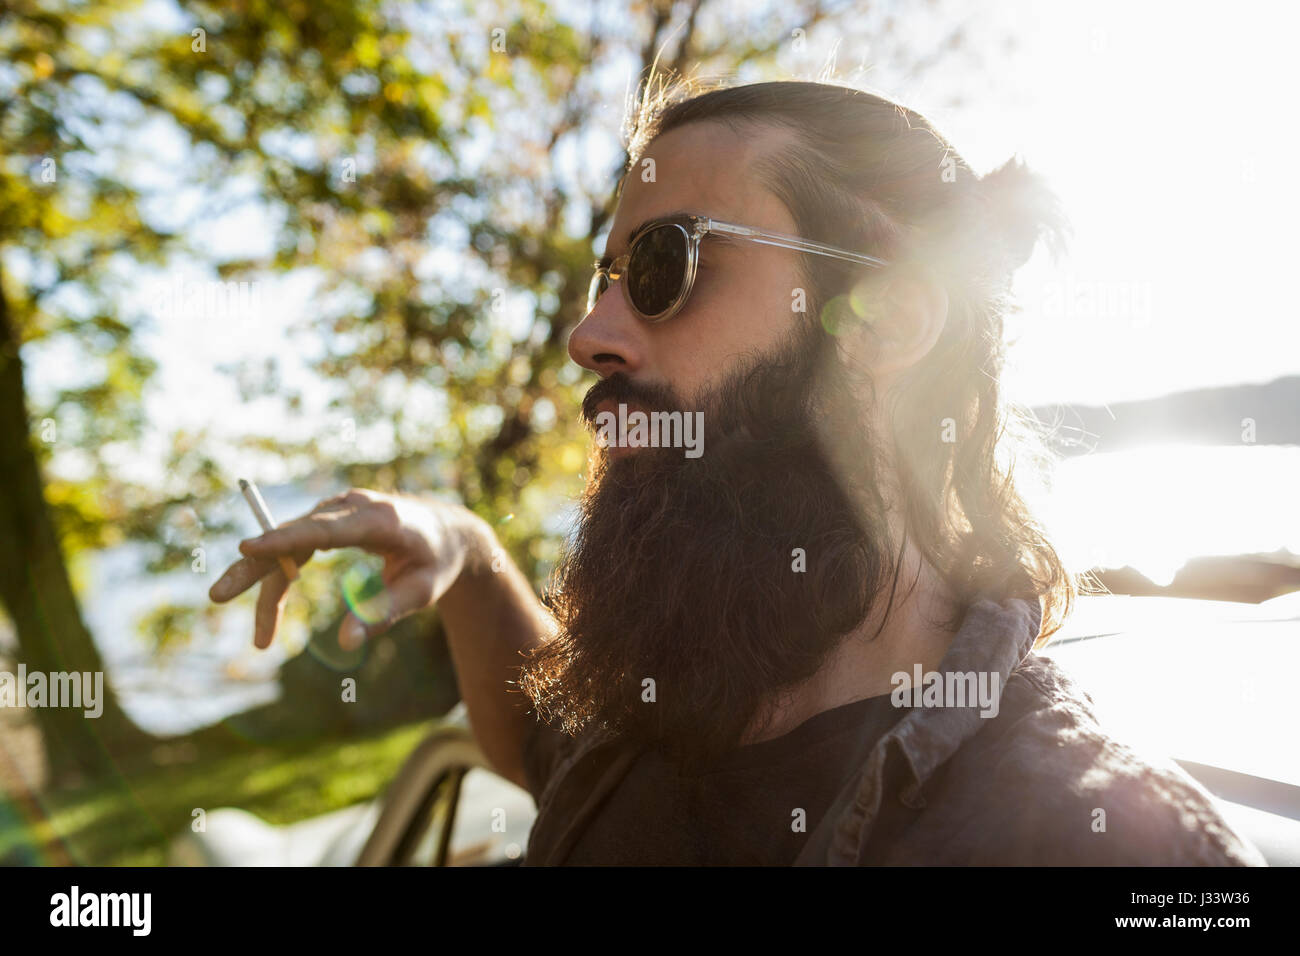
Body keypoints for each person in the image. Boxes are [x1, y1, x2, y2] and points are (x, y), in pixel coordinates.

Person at [209, 78, 1265, 866]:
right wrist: (469, 555)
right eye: (605, 278)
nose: (588, 334)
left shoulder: (1103, 843)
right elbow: (543, 739)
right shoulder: (657, 727)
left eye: (664, 266)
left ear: (889, 317)